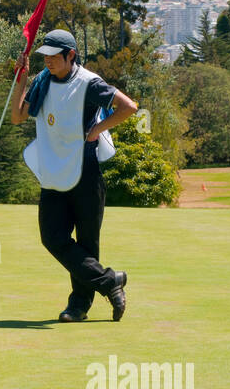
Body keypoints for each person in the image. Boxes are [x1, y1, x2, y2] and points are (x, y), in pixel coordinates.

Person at [10, 30, 139, 322]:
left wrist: (97, 129)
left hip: (86, 172)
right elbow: (17, 117)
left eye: (55, 56)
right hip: (53, 172)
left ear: (71, 56)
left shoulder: (88, 83)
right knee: (52, 237)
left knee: (87, 243)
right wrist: (21, 76)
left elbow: (128, 107)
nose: (48, 61)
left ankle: (78, 306)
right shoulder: (41, 81)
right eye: (46, 56)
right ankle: (111, 282)